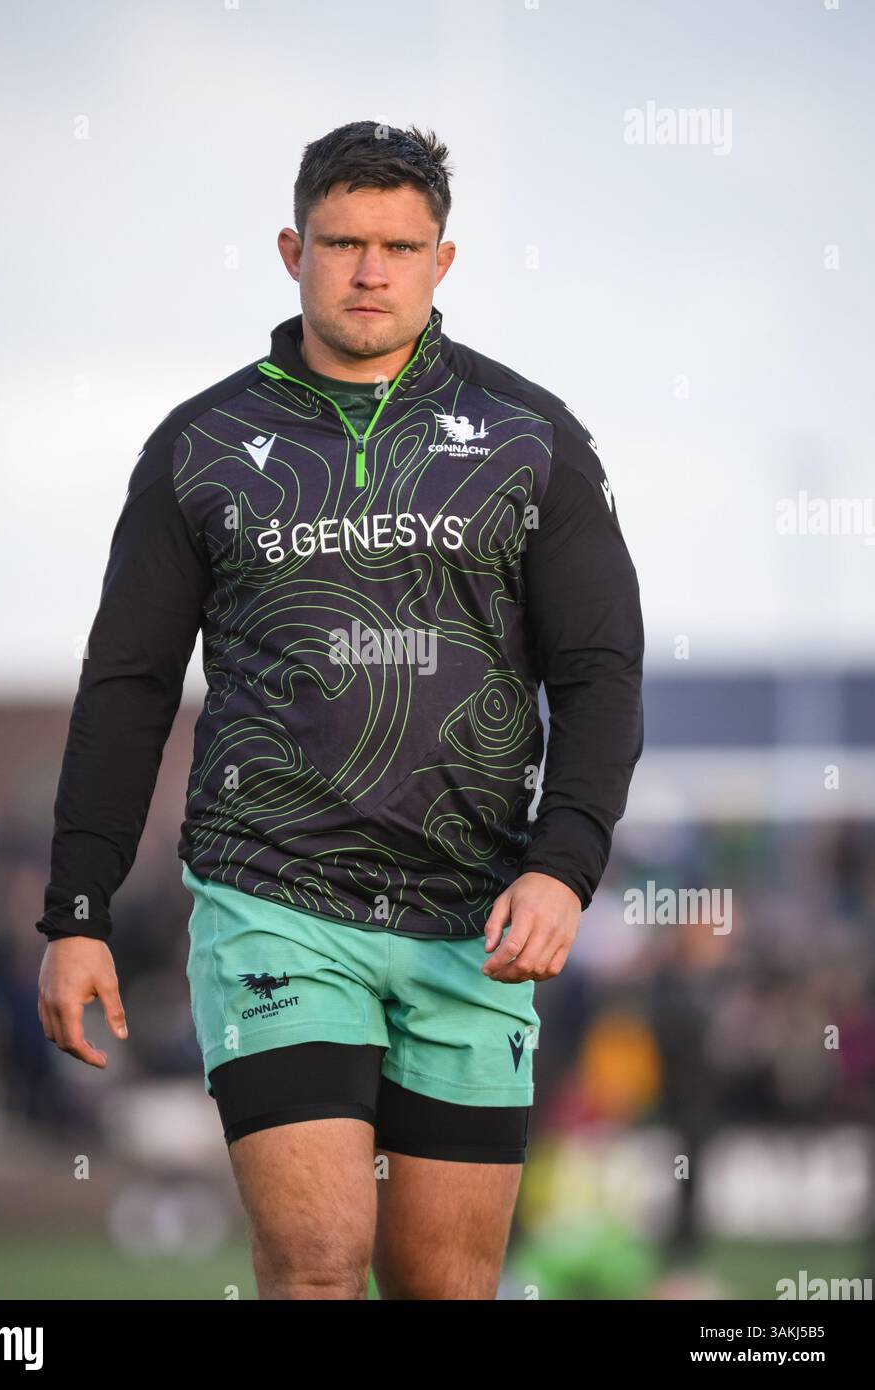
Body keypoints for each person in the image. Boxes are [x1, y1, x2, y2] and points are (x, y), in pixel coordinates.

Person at [35, 119, 645, 1300]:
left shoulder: (531, 439)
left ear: (442, 261)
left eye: (399, 246)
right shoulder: (201, 445)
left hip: (476, 917)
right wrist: (76, 909)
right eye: (342, 242)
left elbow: (601, 670)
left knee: (441, 1285)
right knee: (317, 1262)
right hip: (275, 899)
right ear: (290, 249)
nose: (371, 271)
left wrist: (563, 866)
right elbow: (125, 689)